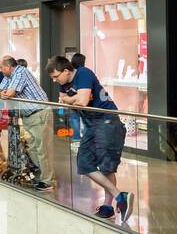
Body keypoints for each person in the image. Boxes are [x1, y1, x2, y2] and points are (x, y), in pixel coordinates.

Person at [47, 55, 132, 223]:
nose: (55, 81)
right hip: (92, 125)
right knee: (84, 164)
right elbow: (66, 102)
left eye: (56, 76)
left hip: (107, 122)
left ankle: (109, 206)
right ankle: (120, 197)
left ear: (66, 70)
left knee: (107, 168)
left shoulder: (83, 73)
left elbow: (83, 101)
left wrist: (71, 99)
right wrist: (74, 99)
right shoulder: (64, 84)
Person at [0, 56, 55, 191]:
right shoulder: (9, 76)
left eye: (1, 67)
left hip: (39, 114)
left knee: (43, 149)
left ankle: (48, 181)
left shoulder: (20, 72)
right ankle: (43, 175)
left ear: (9, 66)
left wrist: (6, 93)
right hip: (28, 116)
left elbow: (9, 93)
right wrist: (4, 93)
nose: (0, 70)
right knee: (32, 148)